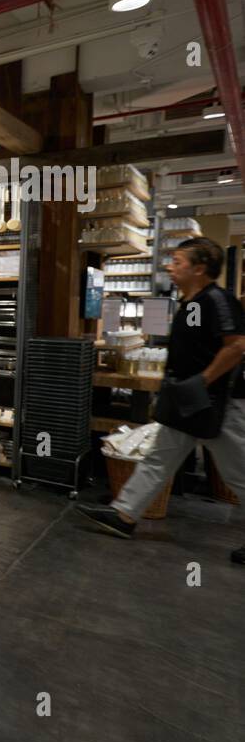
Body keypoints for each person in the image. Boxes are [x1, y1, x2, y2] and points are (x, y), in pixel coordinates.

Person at [77, 237, 245, 560]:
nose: (171, 265)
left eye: (178, 261)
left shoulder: (217, 301)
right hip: (188, 400)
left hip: (215, 404)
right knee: (157, 460)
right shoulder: (190, 302)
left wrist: (203, 381)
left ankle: (124, 513)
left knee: (238, 470)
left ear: (200, 268)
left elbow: (236, 346)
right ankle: (124, 515)